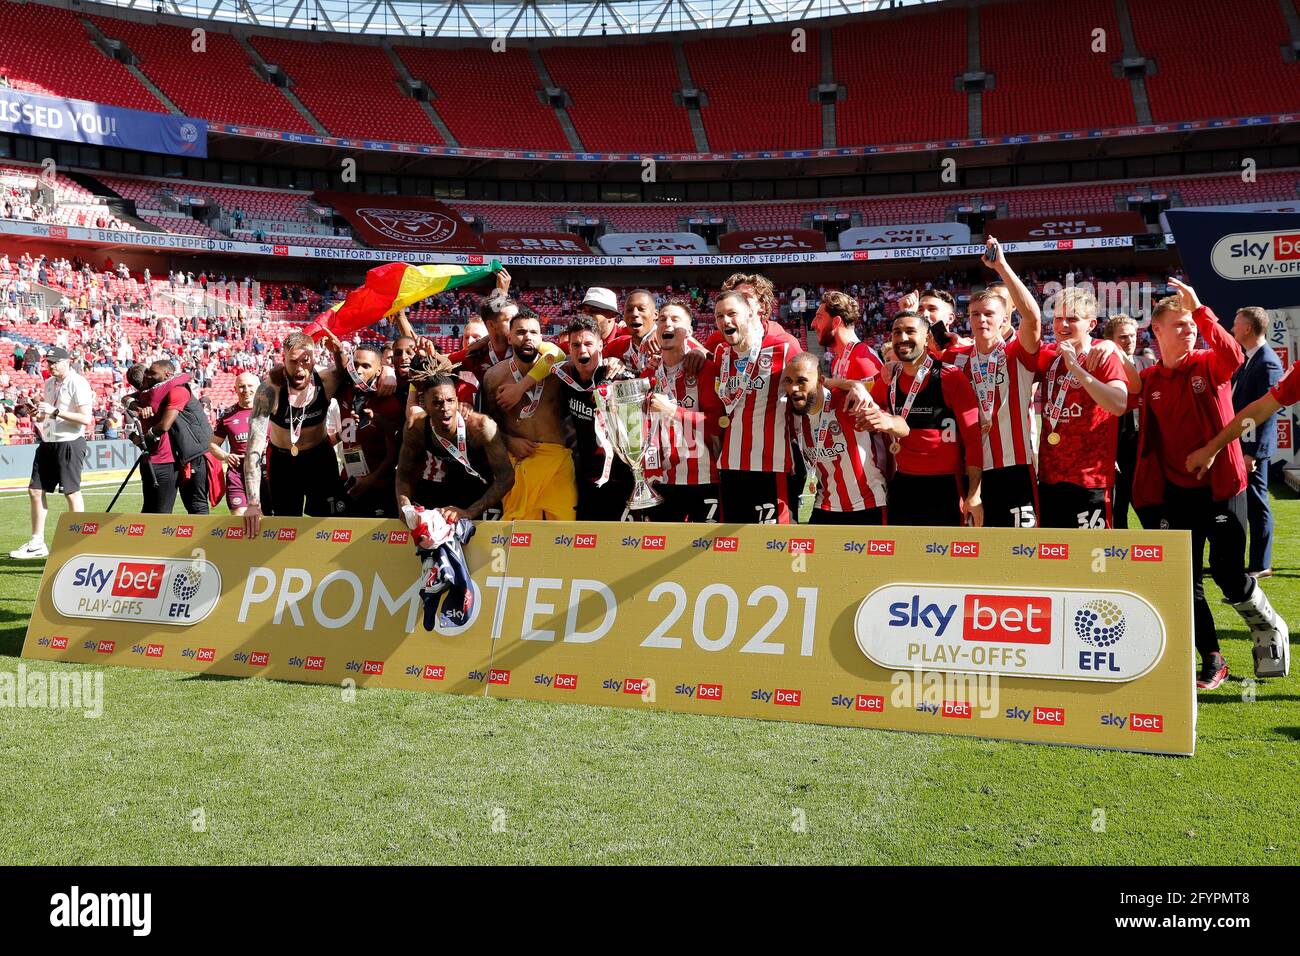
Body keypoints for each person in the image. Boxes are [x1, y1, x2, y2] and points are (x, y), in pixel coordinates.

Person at [1131, 279, 1287, 688]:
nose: (1188, 330)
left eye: (1191, 324)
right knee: (1185, 579)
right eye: (1178, 324)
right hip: (1173, 493)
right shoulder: (1148, 380)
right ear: (1156, 330)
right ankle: (1213, 657)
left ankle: (1267, 622)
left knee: (1227, 573)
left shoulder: (1208, 363)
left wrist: (1200, 309)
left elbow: (1233, 355)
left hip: (1221, 486)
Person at [923, 238, 1042, 527]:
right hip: (969, 468)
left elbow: (1033, 317)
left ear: (1004, 320)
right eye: (975, 314)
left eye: (989, 314)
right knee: (973, 553)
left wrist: (1001, 266)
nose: (982, 320)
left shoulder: (1018, 354)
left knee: (1019, 551)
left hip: (1013, 467)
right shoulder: (956, 357)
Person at [869, 310, 983, 526]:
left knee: (946, 555)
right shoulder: (888, 378)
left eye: (910, 331)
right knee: (904, 556)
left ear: (926, 337)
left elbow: (973, 440)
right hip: (903, 485)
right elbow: (869, 404)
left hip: (946, 485)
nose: (902, 338)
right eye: (896, 332)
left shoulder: (950, 377)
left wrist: (974, 494)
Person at [1033, 286, 1129, 528]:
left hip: (1090, 480)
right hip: (1049, 477)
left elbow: (1118, 404)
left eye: (1073, 319)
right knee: (1052, 557)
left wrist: (1076, 368)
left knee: (1093, 561)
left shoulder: (1102, 356)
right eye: (1057, 318)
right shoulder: (1047, 355)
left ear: (1091, 324)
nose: (1063, 325)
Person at [242, 330, 351, 536]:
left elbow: (355, 377)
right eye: (293, 361)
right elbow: (254, 449)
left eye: (305, 361)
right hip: (283, 463)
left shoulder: (326, 380)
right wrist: (253, 503)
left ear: (314, 359)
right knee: (285, 525)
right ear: (283, 359)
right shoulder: (269, 391)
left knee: (330, 523)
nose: (299, 368)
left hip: (319, 458)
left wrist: (338, 354)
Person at [712, 290, 802, 523]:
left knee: (775, 545)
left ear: (751, 313)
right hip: (730, 464)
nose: (725, 321)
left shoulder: (784, 347)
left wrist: (851, 384)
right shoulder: (720, 353)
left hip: (771, 464)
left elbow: (813, 384)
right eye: (719, 316)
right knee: (734, 546)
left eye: (732, 313)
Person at [481, 312, 576, 521]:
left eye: (534, 332)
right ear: (509, 338)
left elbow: (558, 354)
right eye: (521, 332)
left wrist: (518, 389)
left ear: (542, 339)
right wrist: (509, 441)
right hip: (518, 461)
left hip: (556, 462)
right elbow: (486, 426)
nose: (528, 337)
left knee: (563, 532)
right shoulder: (493, 376)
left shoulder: (558, 372)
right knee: (517, 535)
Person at [782, 352, 892, 524]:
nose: (794, 388)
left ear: (820, 380)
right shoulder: (791, 413)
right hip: (824, 505)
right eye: (789, 381)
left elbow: (896, 425)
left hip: (868, 503)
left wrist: (858, 387)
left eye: (801, 381)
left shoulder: (849, 401)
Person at [642, 300, 723, 522]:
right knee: (659, 550)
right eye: (661, 320)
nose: (667, 324)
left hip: (704, 479)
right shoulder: (647, 377)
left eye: (675, 320)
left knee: (706, 553)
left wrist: (673, 412)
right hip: (661, 481)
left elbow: (719, 422)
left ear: (689, 331)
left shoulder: (705, 370)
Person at [396, 370, 514, 522]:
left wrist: (470, 512)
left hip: (481, 494)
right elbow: (403, 474)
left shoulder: (481, 426)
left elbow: (507, 477)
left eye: (450, 400)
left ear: (457, 400)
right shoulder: (417, 427)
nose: (445, 408)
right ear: (425, 404)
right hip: (444, 489)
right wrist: (404, 508)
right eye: (437, 403)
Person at [9, 347, 92, 560]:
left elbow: (85, 418)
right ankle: (37, 542)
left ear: (68, 361)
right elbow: (46, 417)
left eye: (55, 361)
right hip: (48, 441)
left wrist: (54, 412)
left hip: (70, 443)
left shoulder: (78, 383)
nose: (51, 365)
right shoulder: (48, 383)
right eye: (49, 362)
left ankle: (79, 543)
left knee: (71, 493)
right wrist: (38, 415)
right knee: (35, 491)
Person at [553, 316, 634, 521]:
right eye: (576, 345)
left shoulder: (618, 378)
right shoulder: (565, 381)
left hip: (619, 479)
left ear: (601, 345)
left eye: (589, 344)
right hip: (583, 479)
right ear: (569, 348)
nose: (582, 350)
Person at [1229, 306, 1283, 577]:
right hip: (1240, 444)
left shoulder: (1267, 362)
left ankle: (1261, 564)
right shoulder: (1248, 358)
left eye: (1236, 324)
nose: (1232, 328)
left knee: (1257, 503)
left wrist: (1253, 453)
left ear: (1248, 328)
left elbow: (1267, 413)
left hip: (1251, 450)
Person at [134, 361, 212, 515]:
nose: (148, 375)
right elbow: (129, 397)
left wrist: (144, 440)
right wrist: (137, 406)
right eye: (148, 371)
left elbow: (164, 425)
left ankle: (203, 539)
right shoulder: (161, 390)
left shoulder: (178, 390)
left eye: (152, 373)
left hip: (196, 454)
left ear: (167, 375)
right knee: (187, 503)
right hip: (184, 454)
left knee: (196, 504)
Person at [335, 344, 402, 519]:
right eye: (355, 364)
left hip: (377, 486)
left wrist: (370, 480)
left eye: (366, 366)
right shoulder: (344, 390)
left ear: (379, 371)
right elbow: (338, 369)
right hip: (348, 480)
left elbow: (393, 455)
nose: (358, 370)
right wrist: (337, 351)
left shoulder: (389, 402)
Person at [1104, 314, 1153, 528]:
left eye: (1132, 336)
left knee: (1150, 508)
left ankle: (1156, 555)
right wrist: (1109, 453)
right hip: (1115, 451)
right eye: (1123, 337)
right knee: (1117, 510)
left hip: (1145, 451)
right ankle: (1118, 557)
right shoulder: (1102, 368)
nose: (1129, 341)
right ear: (1110, 340)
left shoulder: (1149, 364)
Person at [210, 372, 258, 515]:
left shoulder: (271, 412)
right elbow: (212, 444)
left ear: (258, 387)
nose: (246, 390)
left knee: (266, 522)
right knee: (240, 520)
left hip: (263, 471)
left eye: (250, 386)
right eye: (242, 387)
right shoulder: (227, 415)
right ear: (235, 389)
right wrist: (225, 456)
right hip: (237, 473)